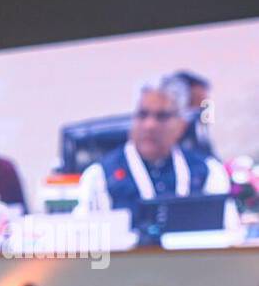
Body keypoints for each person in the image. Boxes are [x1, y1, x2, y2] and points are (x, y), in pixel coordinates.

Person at [75, 76, 229, 234]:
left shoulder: (208, 171)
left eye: (161, 116)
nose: (149, 125)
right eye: (142, 115)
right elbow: (86, 243)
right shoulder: (99, 176)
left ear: (181, 125)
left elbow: (230, 235)